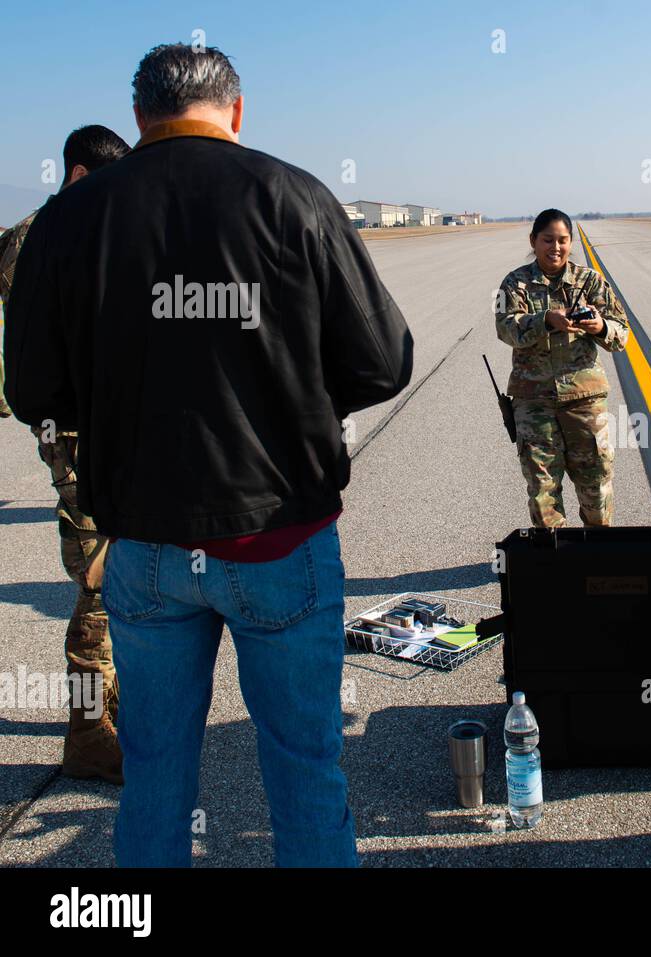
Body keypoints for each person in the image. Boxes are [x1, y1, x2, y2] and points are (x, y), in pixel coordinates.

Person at [4, 43, 413, 867]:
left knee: (155, 777)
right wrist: (291, 392)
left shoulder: (72, 218)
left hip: (144, 544)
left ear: (139, 117)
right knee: (304, 770)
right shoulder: (294, 195)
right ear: (236, 110)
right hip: (279, 537)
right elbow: (383, 359)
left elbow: (32, 388)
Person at [0, 125, 130, 784]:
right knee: (99, 583)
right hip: (74, 430)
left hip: (94, 424)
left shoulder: (42, 232)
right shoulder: (53, 234)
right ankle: (86, 732)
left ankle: (106, 705)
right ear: (82, 175)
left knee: (117, 572)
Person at [494, 209, 628, 528]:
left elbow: (621, 332)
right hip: (533, 400)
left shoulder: (590, 281)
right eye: (547, 240)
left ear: (571, 242)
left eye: (563, 240)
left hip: (584, 399)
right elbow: (504, 328)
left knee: (596, 485)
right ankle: (557, 563)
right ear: (534, 241)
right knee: (543, 492)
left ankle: (597, 558)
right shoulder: (515, 283)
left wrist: (599, 327)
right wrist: (545, 321)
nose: (555, 247)